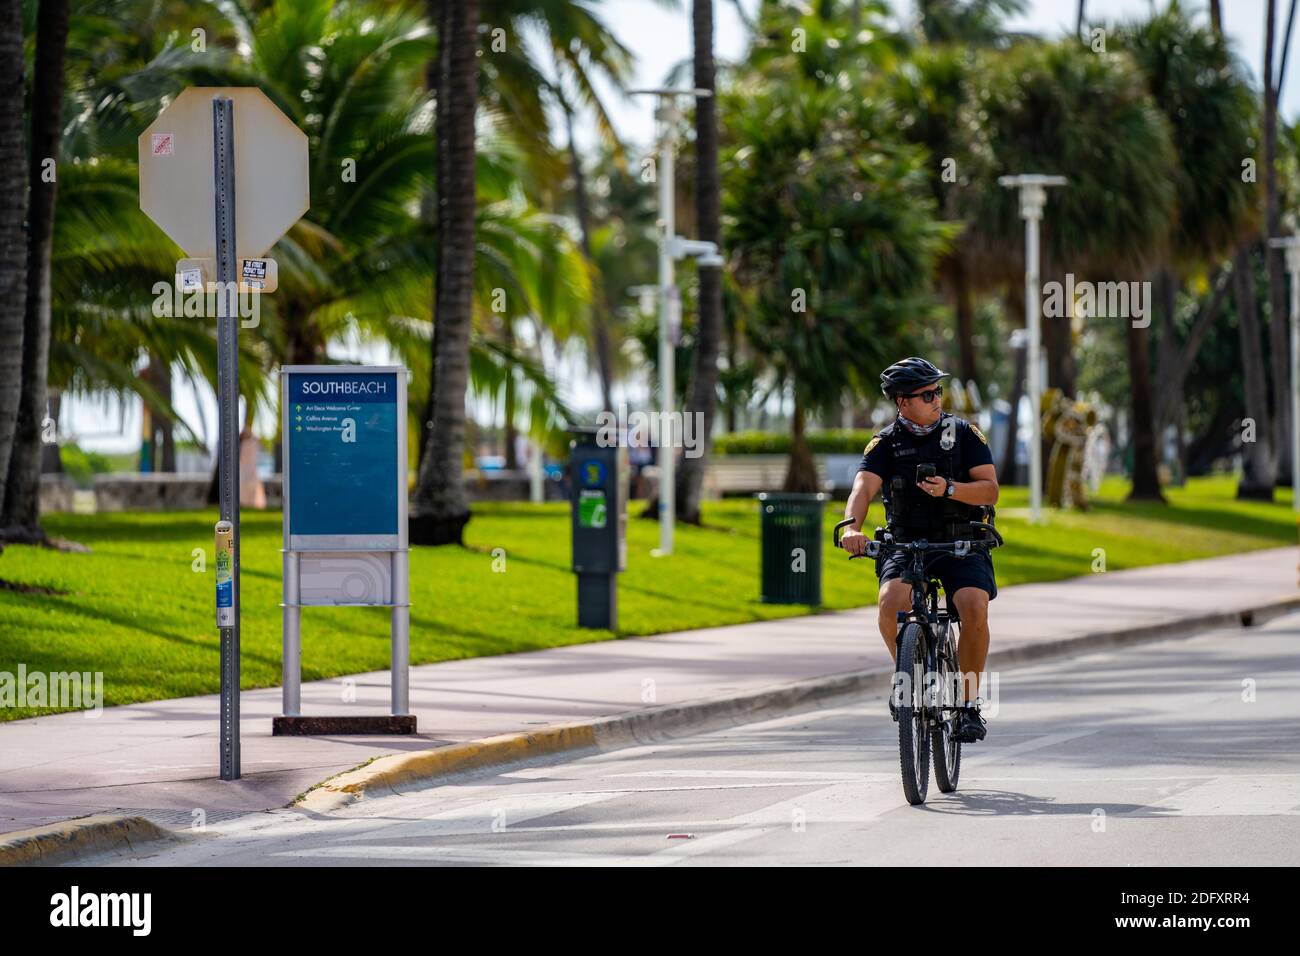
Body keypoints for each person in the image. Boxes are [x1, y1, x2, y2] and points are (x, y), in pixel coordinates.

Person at [839, 357, 999, 743]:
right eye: (927, 394)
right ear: (902, 402)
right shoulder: (885, 443)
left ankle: (967, 705)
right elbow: (863, 488)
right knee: (890, 601)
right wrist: (850, 526)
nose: (936, 399)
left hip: (961, 539)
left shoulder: (964, 434)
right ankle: (908, 677)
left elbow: (990, 489)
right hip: (907, 541)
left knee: (973, 604)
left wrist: (950, 489)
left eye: (938, 391)